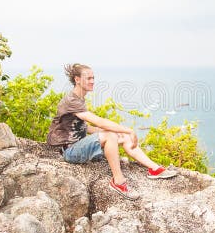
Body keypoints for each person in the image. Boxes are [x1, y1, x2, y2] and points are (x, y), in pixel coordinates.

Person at [47, 63, 177, 200]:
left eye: (93, 78)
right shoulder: (71, 100)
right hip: (70, 151)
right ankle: (118, 182)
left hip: (82, 146)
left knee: (122, 136)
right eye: (88, 78)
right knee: (111, 135)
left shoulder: (79, 99)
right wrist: (127, 129)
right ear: (77, 80)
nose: (92, 81)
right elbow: (99, 122)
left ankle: (154, 169)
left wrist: (121, 133)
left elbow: (86, 128)